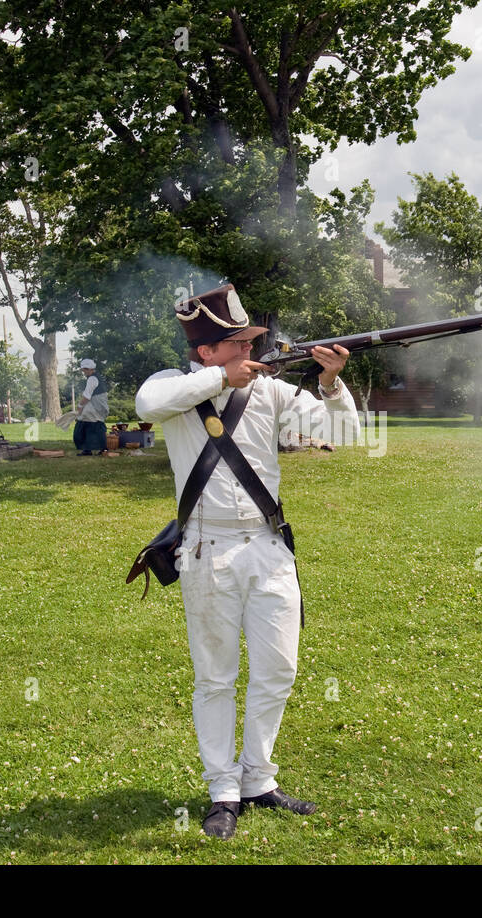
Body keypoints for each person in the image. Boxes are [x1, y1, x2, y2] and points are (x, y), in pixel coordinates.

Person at [135, 283, 359, 839]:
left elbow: (345, 433)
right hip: (207, 548)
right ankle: (222, 788)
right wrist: (221, 381)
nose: (248, 351)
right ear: (206, 352)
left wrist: (330, 382)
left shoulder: (273, 392)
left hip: (267, 545)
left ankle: (258, 777)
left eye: (247, 342)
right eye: (237, 343)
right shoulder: (173, 385)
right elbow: (145, 405)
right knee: (215, 677)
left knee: (278, 669)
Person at [73, 359, 108, 455]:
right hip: (97, 404)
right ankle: (89, 449)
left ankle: (101, 449)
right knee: (88, 424)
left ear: (88, 369)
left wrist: (80, 406)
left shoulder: (92, 379)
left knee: (90, 424)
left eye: (84, 370)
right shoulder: (96, 377)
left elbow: (87, 396)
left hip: (96, 405)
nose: (83, 372)